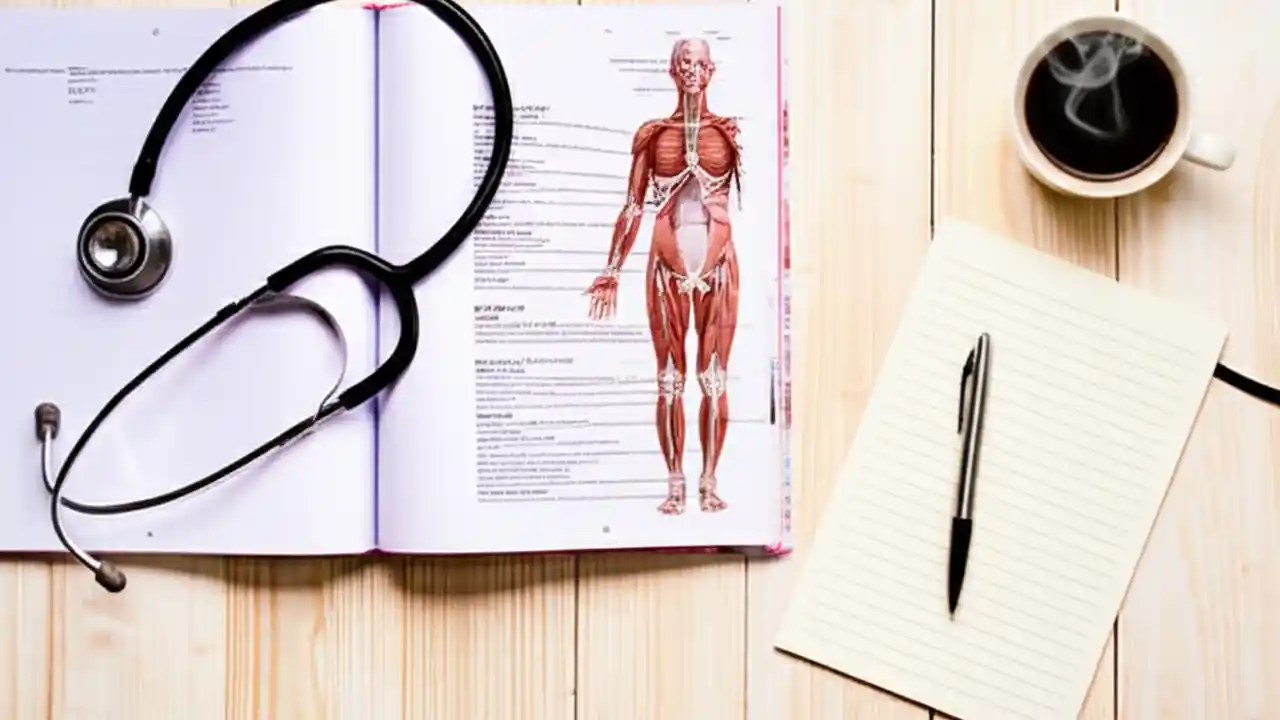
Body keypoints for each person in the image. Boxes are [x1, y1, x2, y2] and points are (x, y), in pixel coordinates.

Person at [584, 37, 742, 515]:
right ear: (671, 72)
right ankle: (675, 485)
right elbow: (633, 205)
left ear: (711, 71)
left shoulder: (728, 135)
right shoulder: (653, 136)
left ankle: (709, 483)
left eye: (698, 63)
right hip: (665, 267)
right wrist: (612, 269)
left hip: (718, 266)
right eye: (682, 63)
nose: (691, 70)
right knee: (670, 379)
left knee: (713, 378)